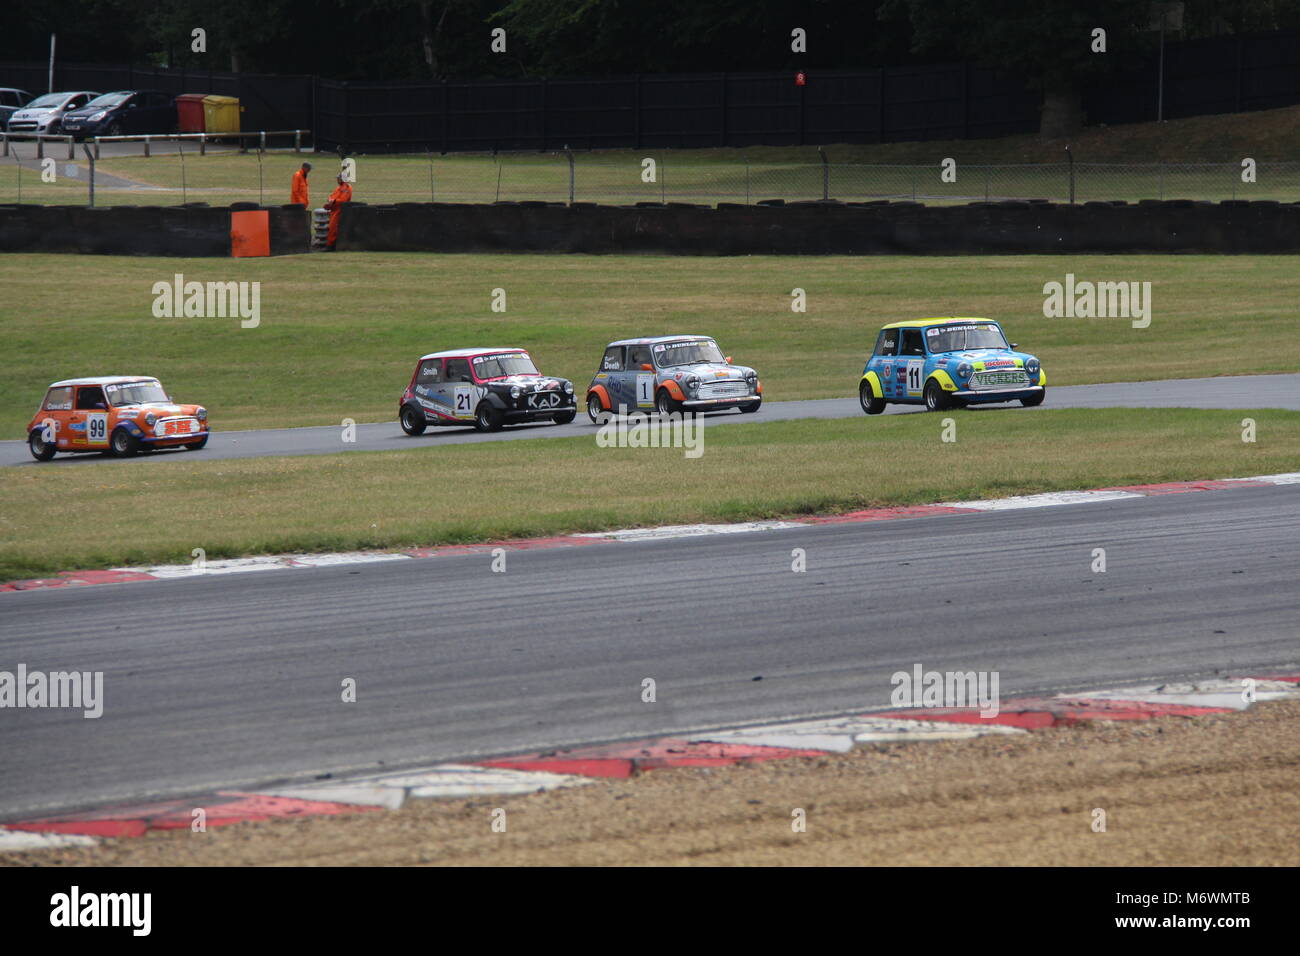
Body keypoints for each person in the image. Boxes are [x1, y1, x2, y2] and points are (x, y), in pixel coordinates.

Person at [324, 173, 352, 250]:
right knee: (331, 228)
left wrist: (333, 201)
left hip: (340, 210)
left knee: (333, 228)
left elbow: (343, 200)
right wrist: (329, 201)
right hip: (334, 210)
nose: (337, 180)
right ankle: (330, 245)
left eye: (338, 178)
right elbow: (332, 196)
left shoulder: (346, 187)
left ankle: (331, 246)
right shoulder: (339, 187)